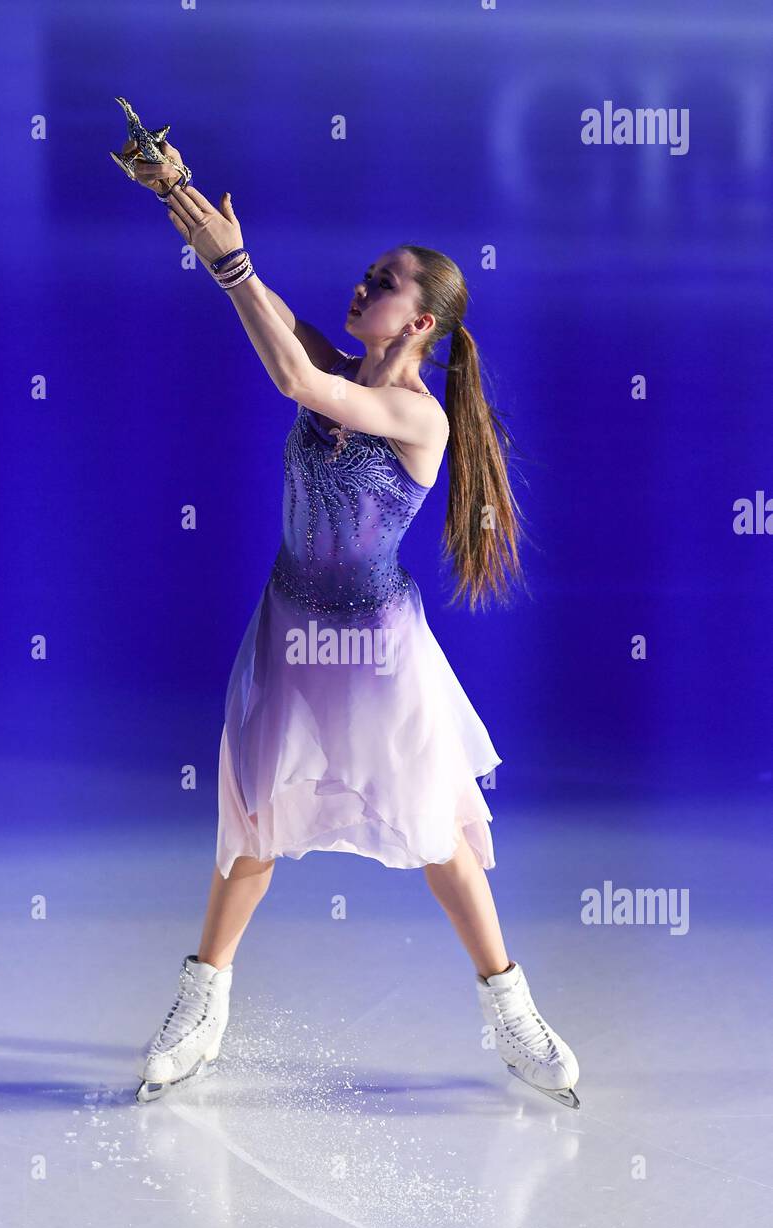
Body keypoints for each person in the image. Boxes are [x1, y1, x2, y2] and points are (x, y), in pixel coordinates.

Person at [120, 145, 580, 1109]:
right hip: (288, 629)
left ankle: (512, 1012)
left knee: (440, 834)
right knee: (251, 818)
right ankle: (203, 1002)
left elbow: (297, 379)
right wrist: (185, 200)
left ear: (418, 322)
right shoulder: (346, 363)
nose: (360, 286)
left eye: (382, 283)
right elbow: (287, 337)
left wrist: (230, 267)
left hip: (375, 652)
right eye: (367, 274)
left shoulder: (415, 417)